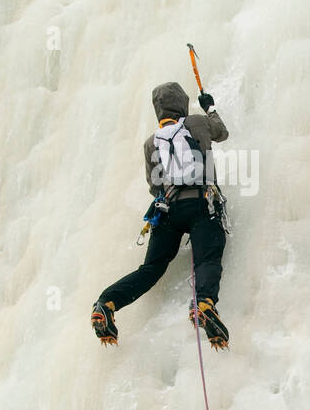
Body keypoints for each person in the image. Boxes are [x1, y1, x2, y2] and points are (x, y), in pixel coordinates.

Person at [92, 81, 230, 349]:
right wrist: (210, 108)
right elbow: (222, 133)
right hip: (201, 204)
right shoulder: (197, 123)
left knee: (151, 269)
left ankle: (107, 303)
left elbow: (154, 186)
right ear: (182, 104)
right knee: (208, 256)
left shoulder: (150, 143)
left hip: (167, 212)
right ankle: (204, 303)